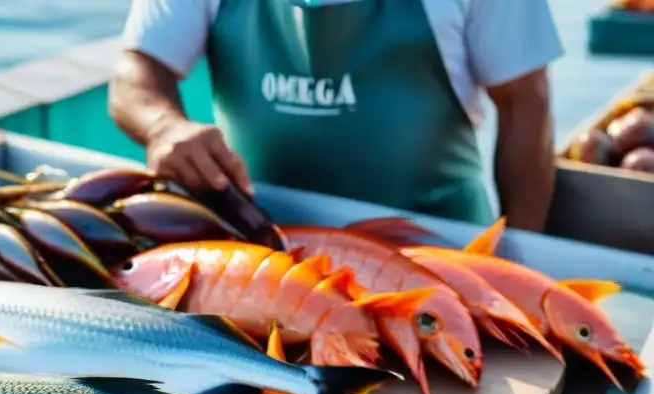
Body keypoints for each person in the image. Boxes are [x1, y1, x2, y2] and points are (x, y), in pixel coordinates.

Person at [109, 0, 563, 230]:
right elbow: (136, 70)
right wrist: (163, 125)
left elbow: (526, 100)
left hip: (440, 248)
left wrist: (516, 255)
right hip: (262, 244)